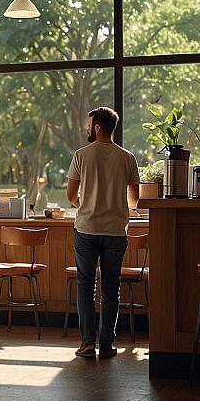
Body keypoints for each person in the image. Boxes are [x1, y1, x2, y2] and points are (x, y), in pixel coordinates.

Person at [66, 107, 139, 359]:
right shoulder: (127, 157)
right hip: (116, 231)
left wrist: (85, 206)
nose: (87, 128)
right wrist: (120, 208)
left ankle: (87, 343)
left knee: (86, 285)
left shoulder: (81, 155)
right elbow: (134, 198)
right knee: (111, 289)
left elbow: (70, 196)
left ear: (97, 127)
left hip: (86, 229)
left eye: (89, 125)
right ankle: (106, 344)